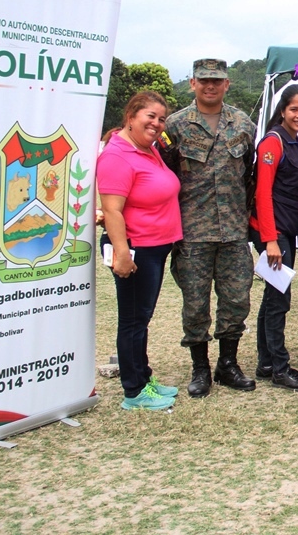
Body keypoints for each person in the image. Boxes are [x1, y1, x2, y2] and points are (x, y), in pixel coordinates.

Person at [164, 58, 256, 398]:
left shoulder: (244, 124)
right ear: (192, 83)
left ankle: (228, 364)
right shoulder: (174, 126)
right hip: (192, 232)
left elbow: (250, 174)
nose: (210, 86)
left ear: (227, 84)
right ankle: (200, 368)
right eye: (204, 80)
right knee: (196, 303)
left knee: (235, 300)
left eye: (217, 80)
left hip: (233, 230)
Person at [98, 91, 183, 410]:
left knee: (141, 318)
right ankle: (133, 391)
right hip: (135, 248)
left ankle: (143, 377)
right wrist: (121, 251)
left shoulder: (146, 149)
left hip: (155, 246)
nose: (157, 124)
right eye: (150, 116)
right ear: (131, 116)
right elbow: (112, 210)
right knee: (133, 319)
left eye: (161, 119)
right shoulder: (117, 155)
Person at [246, 84, 298, 391]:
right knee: (280, 300)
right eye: (294, 109)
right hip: (272, 233)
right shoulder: (272, 143)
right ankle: (280, 368)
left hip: (284, 231)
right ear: (283, 111)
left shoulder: (294, 142)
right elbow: (263, 192)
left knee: (273, 296)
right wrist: (270, 240)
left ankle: (266, 361)